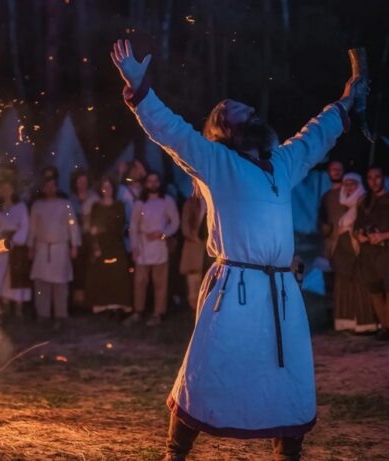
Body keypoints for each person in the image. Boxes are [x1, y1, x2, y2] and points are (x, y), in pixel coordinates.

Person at [111, 38, 364, 460]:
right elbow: (171, 131)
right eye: (234, 109)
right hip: (234, 290)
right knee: (207, 370)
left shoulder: (281, 163)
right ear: (222, 128)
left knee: (288, 375)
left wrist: (345, 102)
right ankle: (175, 452)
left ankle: (287, 455)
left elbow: (315, 136)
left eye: (248, 107)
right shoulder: (216, 162)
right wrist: (140, 90)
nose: (247, 109)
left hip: (281, 293)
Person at [355, 166, 389, 341]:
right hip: (369, 253)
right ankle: (385, 327)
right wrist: (360, 235)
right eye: (370, 178)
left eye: (377, 177)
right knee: (375, 290)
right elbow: (358, 226)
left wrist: (383, 236)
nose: (374, 181)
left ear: (384, 178)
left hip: (388, 251)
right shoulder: (365, 202)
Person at [127, 171, 179, 326]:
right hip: (143, 246)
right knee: (140, 281)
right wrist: (134, 246)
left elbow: (175, 222)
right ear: (146, 183)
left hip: (160, 247)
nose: (153, 184)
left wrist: (163, 234)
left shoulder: (167, 200)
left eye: (156, 180)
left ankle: (158, 313)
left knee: (160, 282)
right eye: (150, 181)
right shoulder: (140, 203)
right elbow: (133, 226)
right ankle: (138, 311)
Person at [28, 176, 81, 321]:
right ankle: (43, 315)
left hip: (60, 248)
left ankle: (61, 314)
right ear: (43, 188)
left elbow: (72, 226)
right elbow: (32, 228)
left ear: (56, 187)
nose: (50, 189)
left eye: (53, 186)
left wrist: (74, 245)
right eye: (47, 186)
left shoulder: (65, 204)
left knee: (60, 283)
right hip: (42, 248)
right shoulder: (37, 205)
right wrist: (31, 246)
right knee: (42, 283)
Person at [330, 173, 377, 333]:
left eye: (352, 184)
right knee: (346, 287)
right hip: (345, 252)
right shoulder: (348, 207)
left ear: (359, 185)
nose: (349, 188)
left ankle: (366, 323)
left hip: (356, 250)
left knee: (360, 286)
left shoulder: (363, 203)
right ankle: (348, 322)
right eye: (346, 184)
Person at [86, 177, 132, 312]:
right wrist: (95, 245)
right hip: (102, 244)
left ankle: (119, 304)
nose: (107, 189)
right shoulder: (96, 207)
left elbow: (121, 223)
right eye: (104, 187)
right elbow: (93, 227)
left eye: (109, 187)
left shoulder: (119, 205)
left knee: (118, 272)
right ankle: (102, 304)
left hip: (116, 242)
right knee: (103, 274)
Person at [0, 179, 32, 316]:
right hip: (1, 246)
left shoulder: (21, 207)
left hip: (16, 246)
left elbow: (25, 226)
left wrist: (14, 240)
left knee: (16, 275)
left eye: (9, 189)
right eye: (3, 189)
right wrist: (0, 237)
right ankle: (4, 306)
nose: (6, 192)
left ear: (13, 190)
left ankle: (18, 307)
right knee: (1, 274)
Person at [69, 169, 98, 309]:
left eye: (84, 181)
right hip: (75, 238)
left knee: (89, 268)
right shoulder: (71, 199)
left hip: (89, 238)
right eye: (79, 181)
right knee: (77, 269)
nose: (82, 184)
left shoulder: (94, 198)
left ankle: (90, 300)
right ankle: (77, 301)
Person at [179, 181, 208, 310]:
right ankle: (194, 307)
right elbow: (185, 224)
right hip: (194, 246)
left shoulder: (214, 202)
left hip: (207, 249)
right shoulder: (191, 203)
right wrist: (193, 236)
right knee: (193, 279)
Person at [318, 160, 345, 297]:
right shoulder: (327, 196)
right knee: (330, 284)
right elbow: (321, 220)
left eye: (339, 169)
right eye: (333, 169)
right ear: (329, 172)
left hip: (346, 245)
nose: (336, 172)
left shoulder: (350, 192)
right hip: (330, 245)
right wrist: (324, 229)